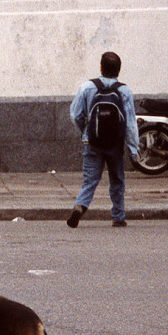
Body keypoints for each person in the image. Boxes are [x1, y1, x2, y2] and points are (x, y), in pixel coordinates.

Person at [67, 52, 139, 228]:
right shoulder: (124, 91)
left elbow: (75, 114)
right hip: (115, 144)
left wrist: (86, 132)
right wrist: (133, 149)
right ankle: (118, 216)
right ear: (118, 70)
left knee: (90, 180)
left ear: (100, 67)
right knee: (117, 180)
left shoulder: (87, 87)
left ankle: (80, 206)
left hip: (93, 142)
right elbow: (130, 123)